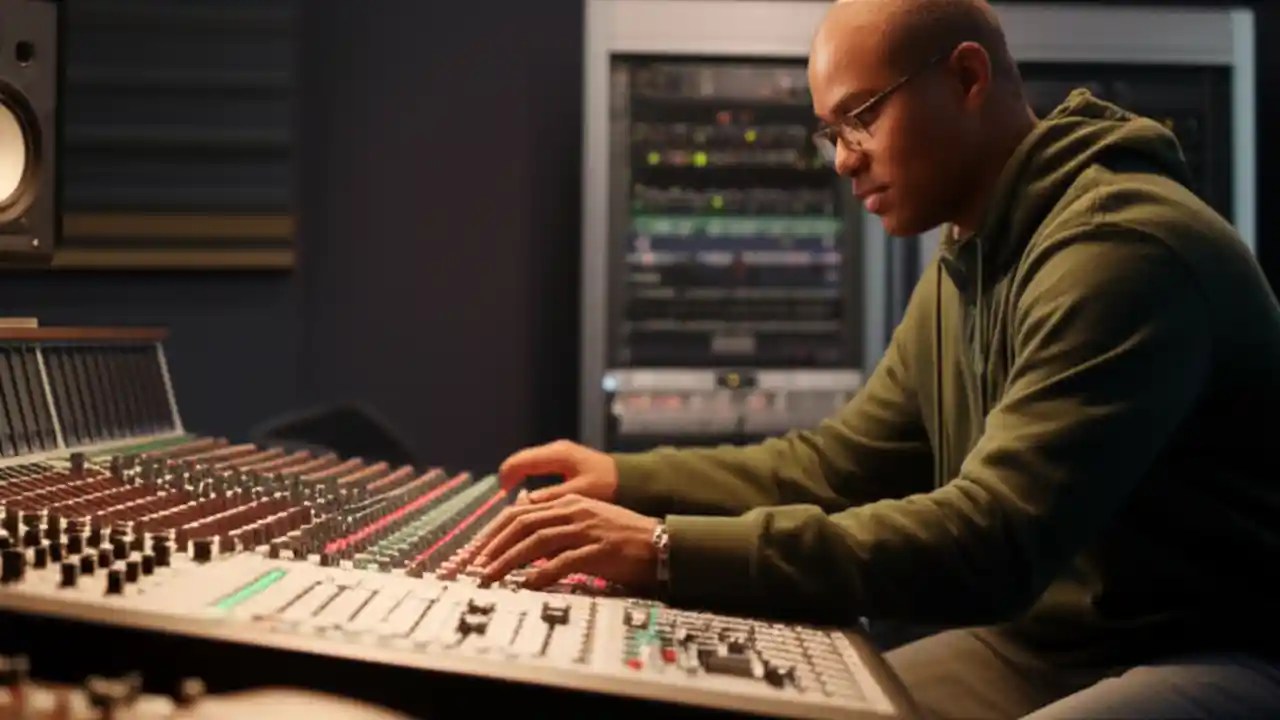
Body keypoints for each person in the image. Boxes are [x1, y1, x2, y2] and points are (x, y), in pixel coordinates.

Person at [470, 0, 1280, 717]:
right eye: (831, 132)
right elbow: (838, 465)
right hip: (1047, 645)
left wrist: (665, 550)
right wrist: (624, 481)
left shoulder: (1118, 248)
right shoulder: (970, 254)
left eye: (861, 117)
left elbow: (990, 541)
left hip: (1215, 652)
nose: (842, 159)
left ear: (966, 77)